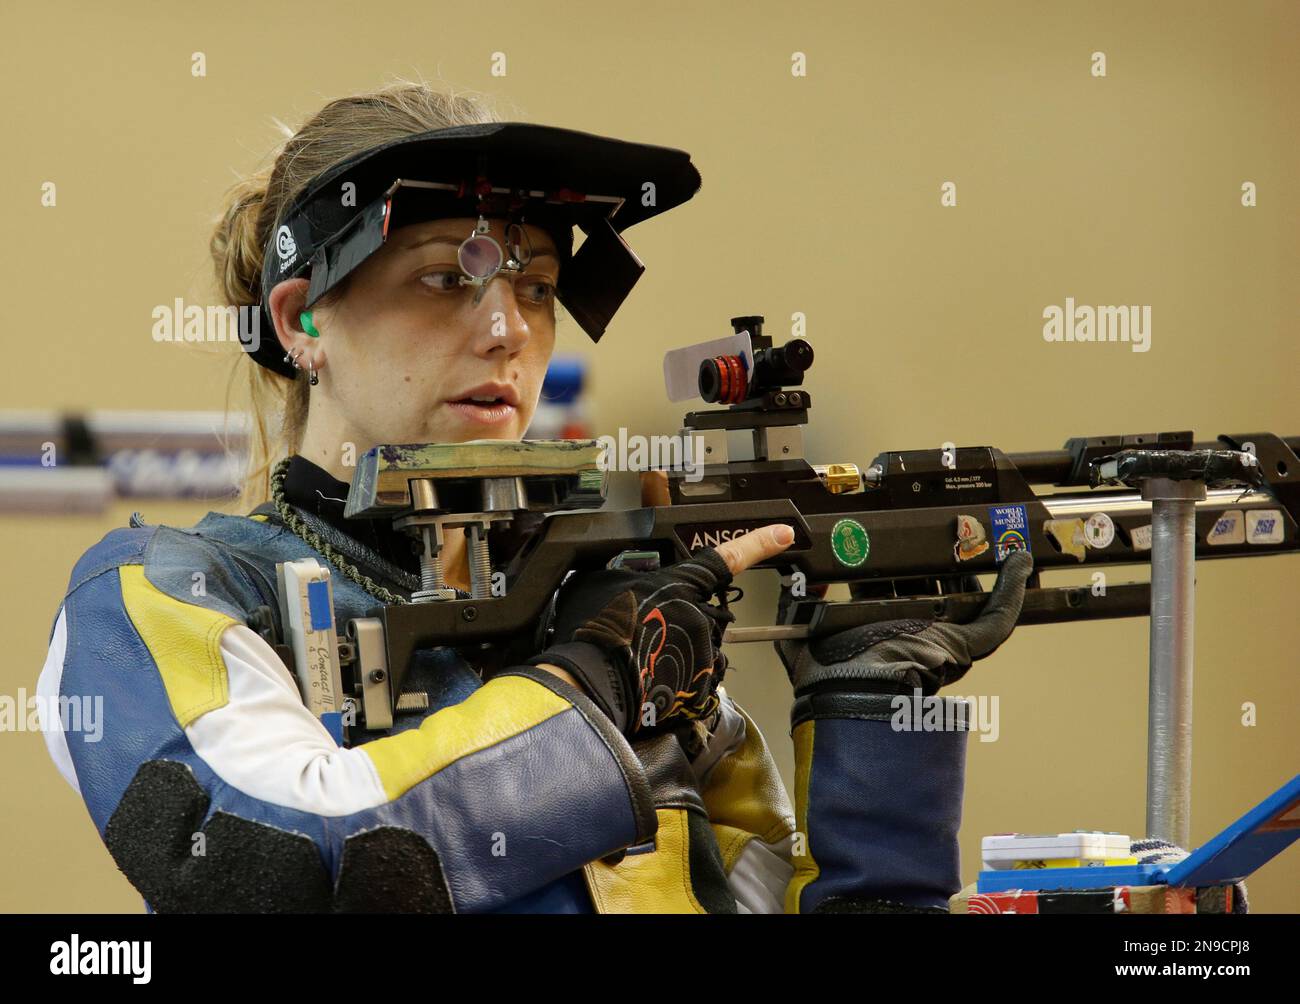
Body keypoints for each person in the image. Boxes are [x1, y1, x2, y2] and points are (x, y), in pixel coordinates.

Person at [36, 80, 1033, 914]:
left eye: (540, 284)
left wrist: (871, 724)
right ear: (302, 319)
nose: (509, 328)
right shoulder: (162, 590)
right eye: (445, 278)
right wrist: (592, 683)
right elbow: (282, 856)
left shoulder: (607, 606)